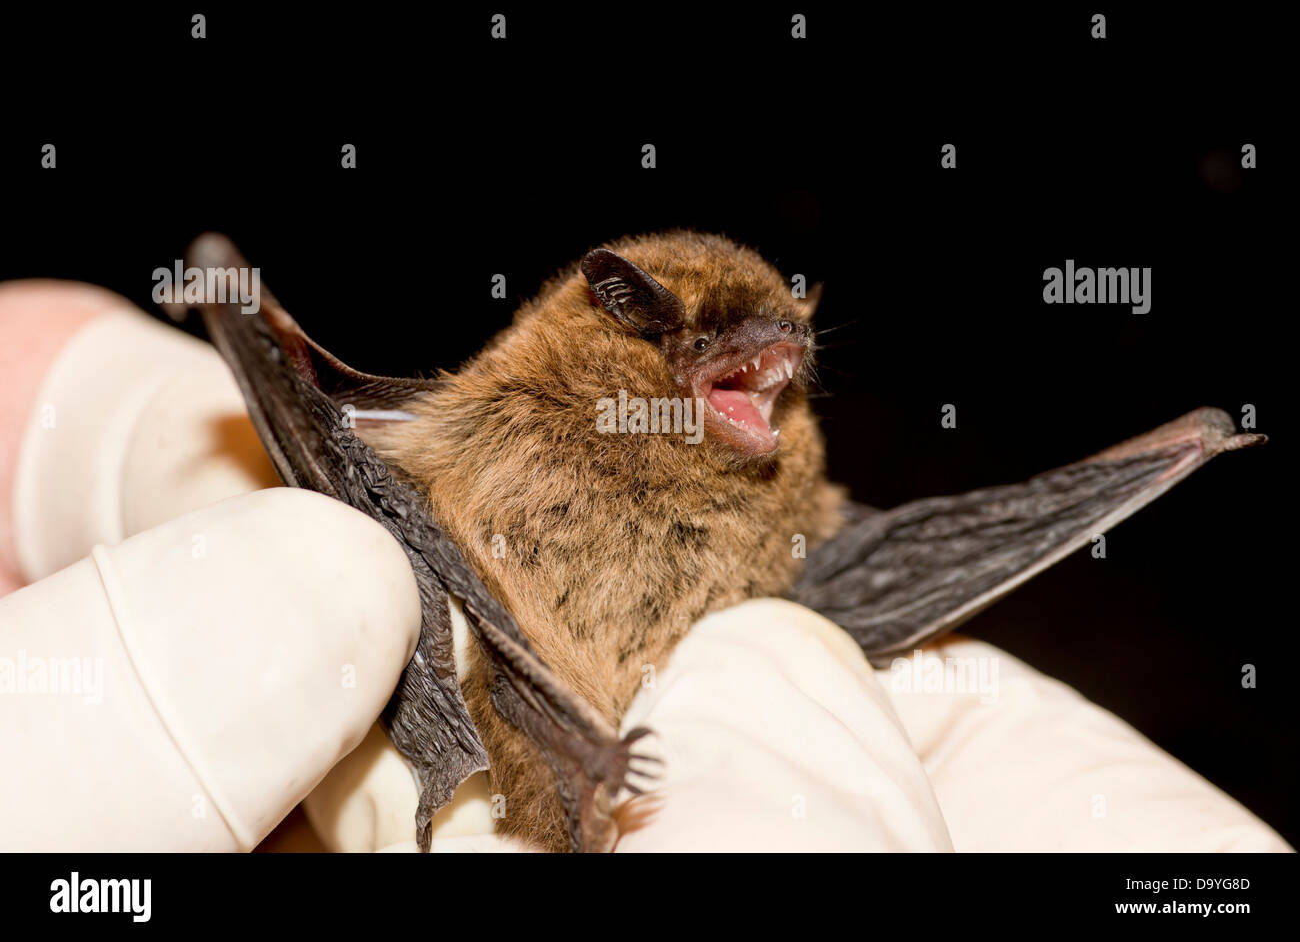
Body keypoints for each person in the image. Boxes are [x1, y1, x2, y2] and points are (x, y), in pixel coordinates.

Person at [0, 280, 1288, 853]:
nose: (774, 366)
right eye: (732, 349)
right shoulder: (479, 433)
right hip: (503, 709)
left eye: (785, 354)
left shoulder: (795, 499)